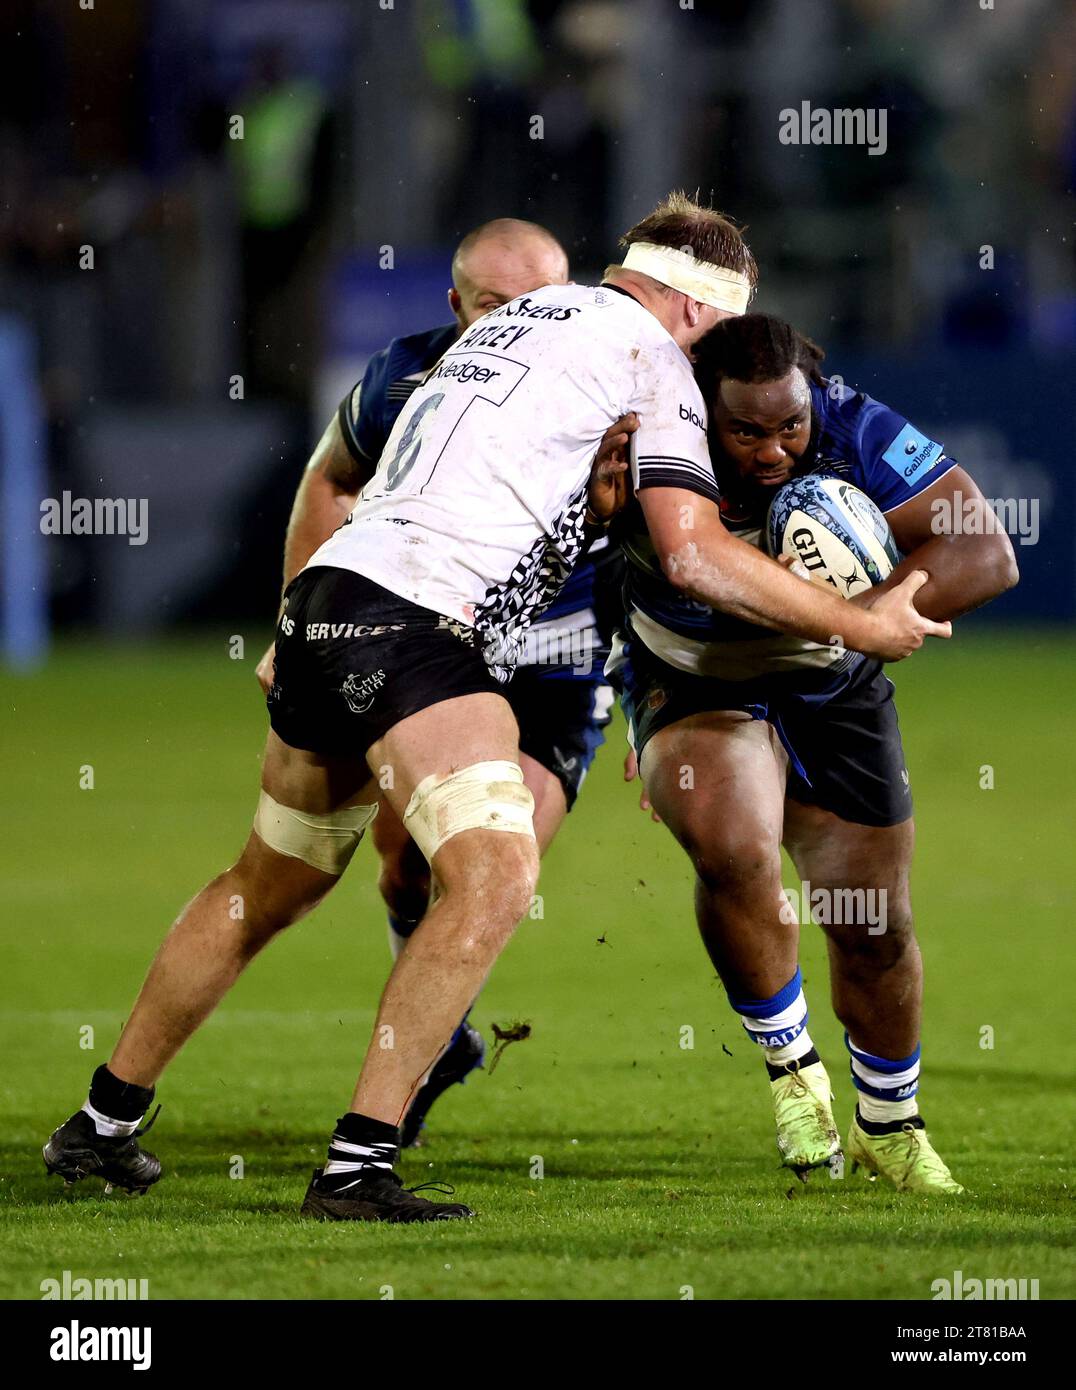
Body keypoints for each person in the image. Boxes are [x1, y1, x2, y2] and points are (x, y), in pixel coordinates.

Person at [42, 195, 944, 1222]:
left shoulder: (506, 323)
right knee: (496, 872)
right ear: (696, 307)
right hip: (416, 624)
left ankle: (102, 1121)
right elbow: (693, 555)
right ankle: (356, 1163)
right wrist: (856, 622)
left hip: (332, 601)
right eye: (714, 328)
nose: (709, 351)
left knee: (268, 880)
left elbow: (439, 478)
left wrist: (587, 518)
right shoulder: (650, 360)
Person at [609, 313, 1017, 1193]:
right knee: (734, 845)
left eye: (788, 426)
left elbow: (985, 550)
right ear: (705, 414)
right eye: (746, 431)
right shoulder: (654, 438)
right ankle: (796, 1077)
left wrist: (869, 606)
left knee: (874, 925)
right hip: (694, 678)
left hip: (835, 680)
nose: (771, 451)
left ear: (811, 400)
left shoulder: (855, 425)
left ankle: (891, 1128)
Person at [255, 218, 627, 1145]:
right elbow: (329, 481)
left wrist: (667, 701)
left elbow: (676, 547)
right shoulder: (403, 377)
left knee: (496, 864)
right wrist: (297, 620)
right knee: (402, 862)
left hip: (555, 665)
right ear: (454, 304)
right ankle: (438, 1044)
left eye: (542, 303)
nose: (523, 322)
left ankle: (384, 1106)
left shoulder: (614, 390)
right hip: (434, 649)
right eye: (497, 306)